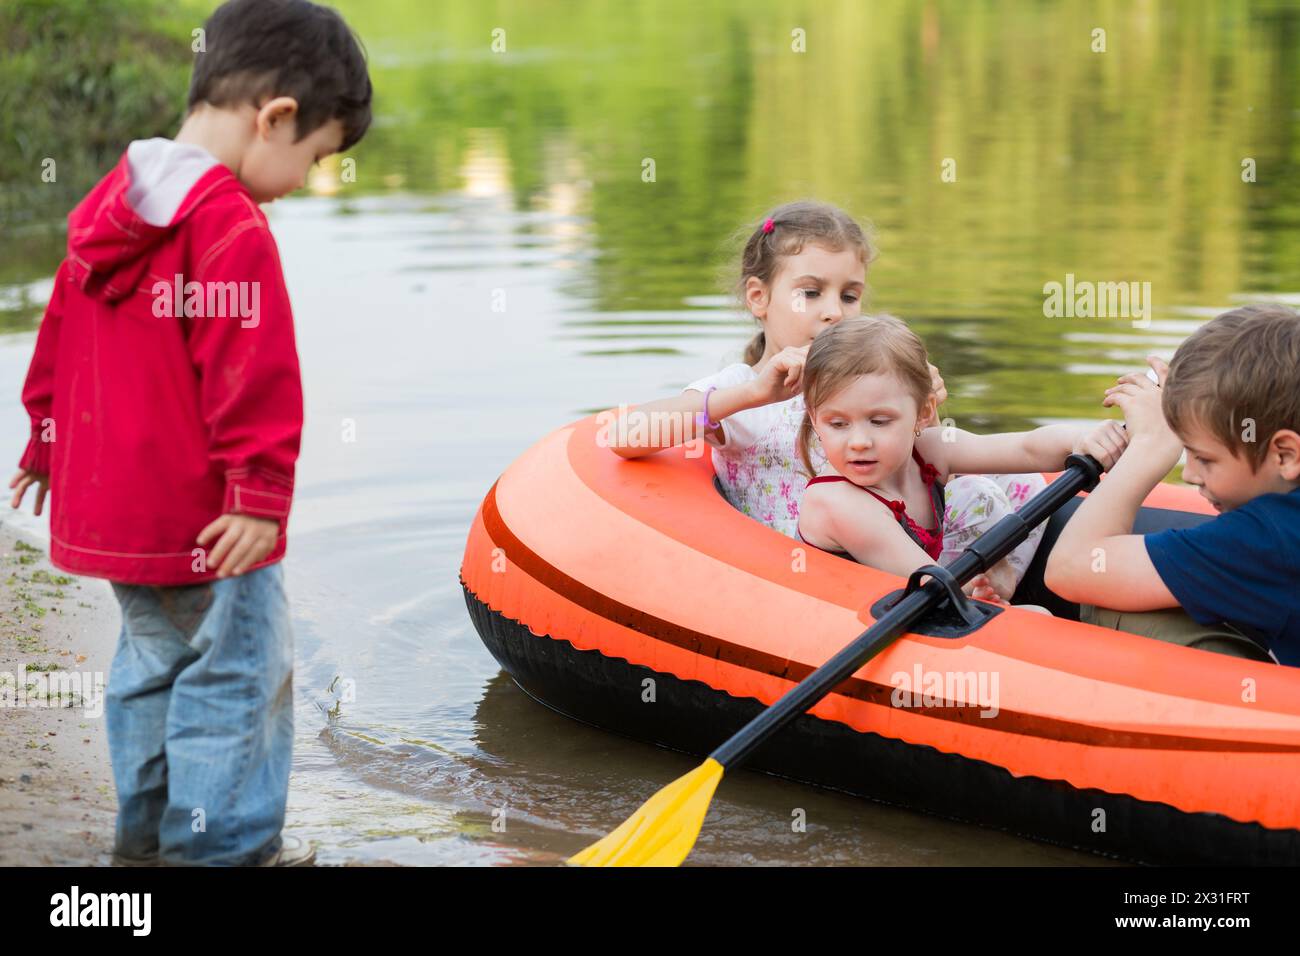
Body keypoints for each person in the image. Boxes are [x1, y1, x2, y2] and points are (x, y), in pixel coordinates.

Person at [7, 0, 372, 865]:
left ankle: (148, 840)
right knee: (241, 673)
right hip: (208, 519)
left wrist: (46, 442)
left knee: (151, 664)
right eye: (316, 156)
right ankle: (224, 848)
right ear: (274, 115)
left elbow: (63, 330)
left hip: (116, 516)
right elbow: (256, 376)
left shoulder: (113, 207)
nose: (310, 178)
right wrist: (258, 495)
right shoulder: (227, 224)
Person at [608, 200, 1047, 597]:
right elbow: (624, 436)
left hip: (900, 545)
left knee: (1012, 480)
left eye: (849, 295)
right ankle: (963, 601)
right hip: (814, 573)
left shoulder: (871, 376)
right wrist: (750, 394)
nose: (834, 311)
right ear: (759, 297)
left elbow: (921, 472)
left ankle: (990, 590)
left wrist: (921, 411)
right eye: (811, 293)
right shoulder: (744, 386)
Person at [794, 316, 1127, 602]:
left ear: (923, 412)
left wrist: (1078, 439)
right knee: (1034, 615)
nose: (859, 442)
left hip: (912, 606)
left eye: (880, 421)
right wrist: (978, 588)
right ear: (814, 416)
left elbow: (1026, 448)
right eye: (837, 424)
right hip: (850, 634)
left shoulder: (930, 451)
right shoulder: (838, 503)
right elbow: (934, 584)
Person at [1044, 304, 1300, 665]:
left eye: (1204, 457)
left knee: (1116, 607)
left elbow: (1069, 567)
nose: (1191, 473)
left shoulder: (1264, 540)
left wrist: (1152, 444)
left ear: (1286, 455)